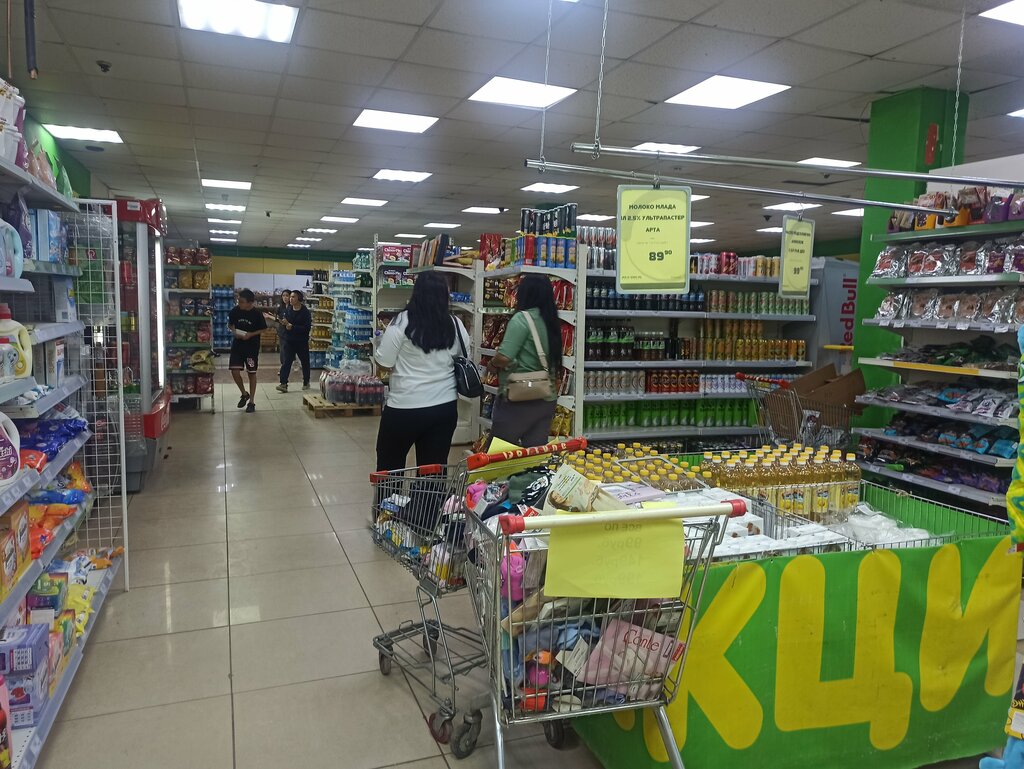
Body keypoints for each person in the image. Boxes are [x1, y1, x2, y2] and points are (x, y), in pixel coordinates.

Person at [373, 272, 470, 472]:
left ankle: (391, 494)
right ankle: (428, 494)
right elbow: (463, 357)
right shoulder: (455, 324)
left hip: (404, 407)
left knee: (390, 466)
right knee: (433, 469)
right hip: (443, 407)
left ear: (416, 293)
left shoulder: (401, 321)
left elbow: (384, 362)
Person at [487, 274, 562, 447]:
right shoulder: (551, 321)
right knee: (534, 454)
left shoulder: (522, 319)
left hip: (519, 397)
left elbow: (504, 357)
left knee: (499, 453)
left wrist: (492, 365)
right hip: (546, 397)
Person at [228, 288, 267, 413]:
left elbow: (263, 329)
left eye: (242, 301)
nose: (239, 303)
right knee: (234, 372)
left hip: (251, 348)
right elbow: (230, 325)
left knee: (251, 373)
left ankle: (252, 402)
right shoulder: (235, 311)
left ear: (250, 302)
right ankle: (244, 394)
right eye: (238, 301)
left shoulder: (257, 314)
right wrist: (234, 331)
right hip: (237, 346)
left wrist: (251, 334)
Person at [277, 289, 312, 392]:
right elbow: (286, 324)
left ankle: (306, 382)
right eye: (290, 297)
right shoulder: (288, 310)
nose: (290, 299)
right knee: (286, 362)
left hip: (301, 341)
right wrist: (285, 325)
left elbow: (306, 328)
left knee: (305, 362)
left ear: (299, 299)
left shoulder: (305, 312)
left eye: (293, 297)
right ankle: (283, 384)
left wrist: (293, 327)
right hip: (289, 341)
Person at [264, 290, 291, 371]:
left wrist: (270, 317)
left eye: (287, 295)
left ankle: (291, 364)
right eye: (283, 296)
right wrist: (270, 316)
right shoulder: (281, 308)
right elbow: (278, 319)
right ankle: (283, 367)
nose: (285, 298)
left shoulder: (292, 308)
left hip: (291, 331)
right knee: (283, 349)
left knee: (290, 349)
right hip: (282, 331)